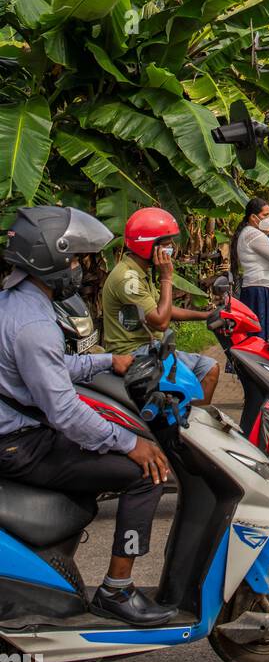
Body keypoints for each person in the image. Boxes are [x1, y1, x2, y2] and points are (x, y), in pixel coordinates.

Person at [0, 206, 175, 627]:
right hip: (20, 445)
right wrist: (134, 445)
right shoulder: (33, 323)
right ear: (50, 260)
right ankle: (118, 591)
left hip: (18, 433)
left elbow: (50, 368)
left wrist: (105, 362)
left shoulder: (18, 302)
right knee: (146, 473)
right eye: (75, 260)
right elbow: (63, 410)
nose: (80, 269)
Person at [101, 208, 218, 406]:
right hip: (134, 353)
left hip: (152, 348)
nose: (172, 248)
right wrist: (166, 278)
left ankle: (191, 428)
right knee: (190, 382)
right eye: (166, 244)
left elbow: (166, 309)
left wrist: (207, 315)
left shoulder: (139, 272)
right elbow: (161, 321)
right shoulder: (128, 279)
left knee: (209, 368)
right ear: (148, 246)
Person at [229, 198, 269, 354]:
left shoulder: (251, 234)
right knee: (266, 340)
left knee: (266, 338)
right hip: (263, 291)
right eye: (266, 215)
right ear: (253, 217)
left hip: (264, 289)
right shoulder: (254, 235)